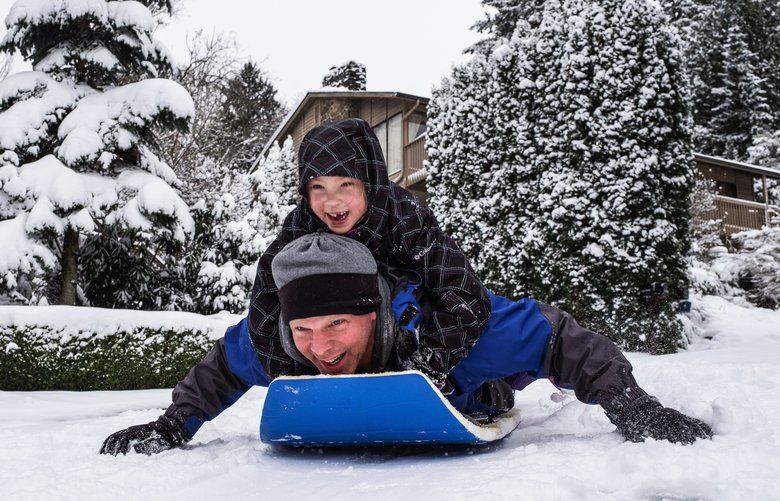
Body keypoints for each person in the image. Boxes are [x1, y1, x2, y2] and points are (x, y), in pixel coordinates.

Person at [100, 233, 713, 456]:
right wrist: (173, 426)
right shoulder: (279, 343)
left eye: (337, 326)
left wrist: (629, 403)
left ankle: (489, 388)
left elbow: (558, 337)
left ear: (375, 313)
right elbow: (221, 369)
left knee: (485, 377)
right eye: (306, 330)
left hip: (462, 373)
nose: (321, 347)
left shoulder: (446, 325)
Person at [248, 118, 491, 390]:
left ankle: (488, 389)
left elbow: (462, 292)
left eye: (345, 185)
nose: (332, 201)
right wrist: (297, 379)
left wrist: (425, 365)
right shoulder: (301, 227)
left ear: (368, 182)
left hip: (408, 318)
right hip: (336, 331)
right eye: (318, 187)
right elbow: (264, 306)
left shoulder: (404, 217)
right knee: (242, 343)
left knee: (490, 325)